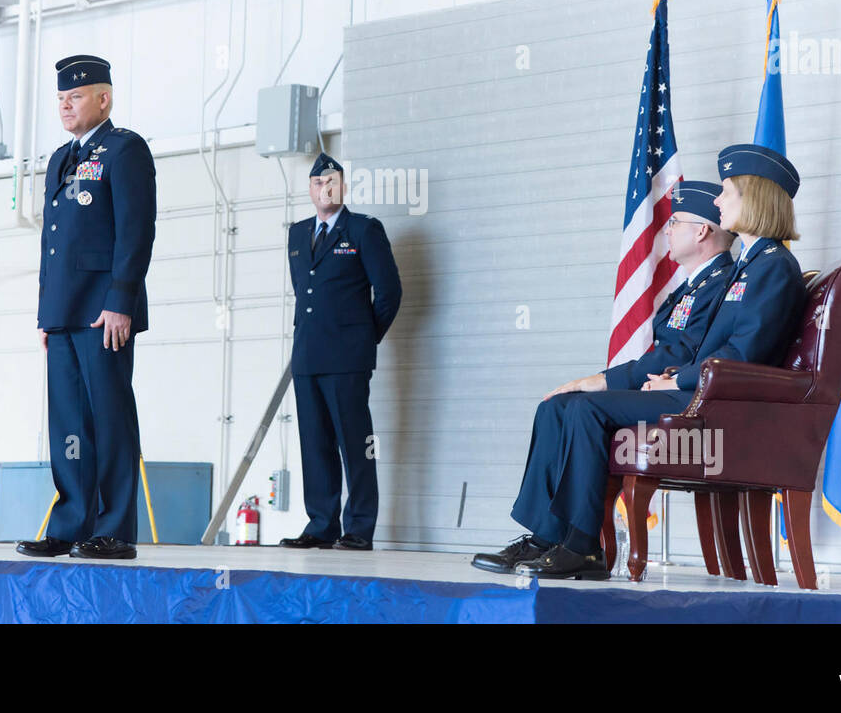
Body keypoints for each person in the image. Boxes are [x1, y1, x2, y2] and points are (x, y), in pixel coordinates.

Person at [472, 143, 808, 580]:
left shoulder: (773, 266)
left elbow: (744, 354)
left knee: (585, 407)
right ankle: (547, 535)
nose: (720, 201)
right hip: (701, 388)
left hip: (713, 402)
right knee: (560, 405)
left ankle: (582, 546)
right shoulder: (751, 264)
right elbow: (711, 348)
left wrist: (677, 380)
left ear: (754, 198)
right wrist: (676, 375)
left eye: (727, 192)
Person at [17, 54, 157, 561]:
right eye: (59, 99)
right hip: (64, 312)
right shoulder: (60, 158)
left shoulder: (125, 150)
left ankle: (114, 529)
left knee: (110, 418)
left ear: (105, 98)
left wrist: (121, 300)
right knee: (69, 424)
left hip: (103, 312)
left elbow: (136, 231)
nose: (65, 106)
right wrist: (45, 312)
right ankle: (73, 523)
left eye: (75, 97)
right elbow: (51, 242)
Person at [279, 154, 402, 551]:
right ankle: (320, 524)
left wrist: (364, 338)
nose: (324, 189)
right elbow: (306, 294)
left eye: (332, 182)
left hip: (348, 358)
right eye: (317, 183)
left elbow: (389, 293)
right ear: (310, 189)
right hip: (308, 356)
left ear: (343, 187)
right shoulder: (298, 234)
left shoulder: (364, 230)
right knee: (314, 445)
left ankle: (359, 529)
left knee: (355, 445)